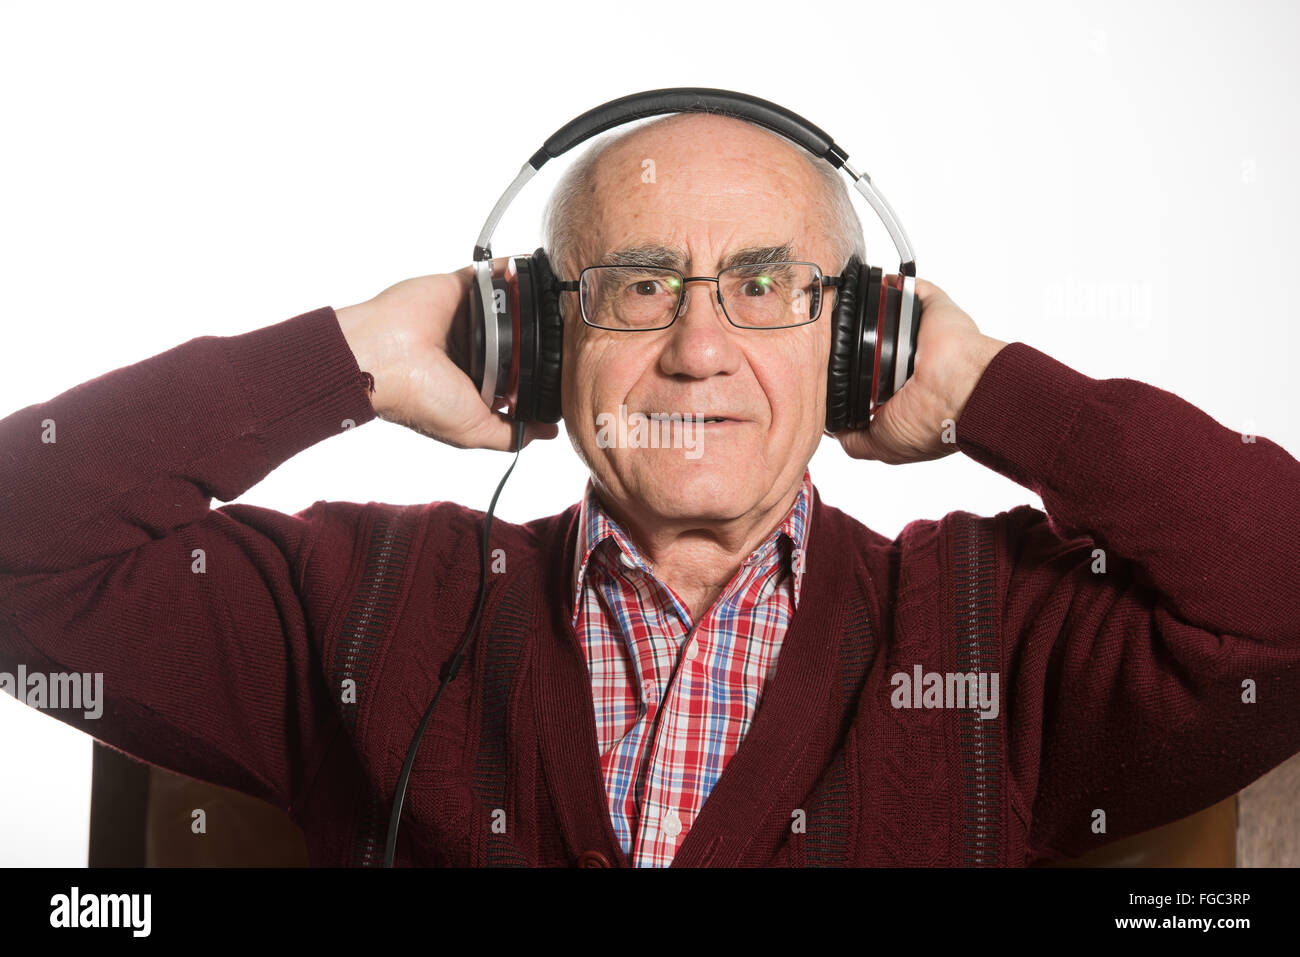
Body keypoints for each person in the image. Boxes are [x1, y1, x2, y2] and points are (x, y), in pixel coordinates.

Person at [1, 112, 1297, 868]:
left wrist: (993, 387)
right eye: (639, 284)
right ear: (539, 345)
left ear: (857, 347)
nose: (697, 343)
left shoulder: (991, 633)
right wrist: (354, 358)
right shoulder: (357, 603)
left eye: (766, 284)